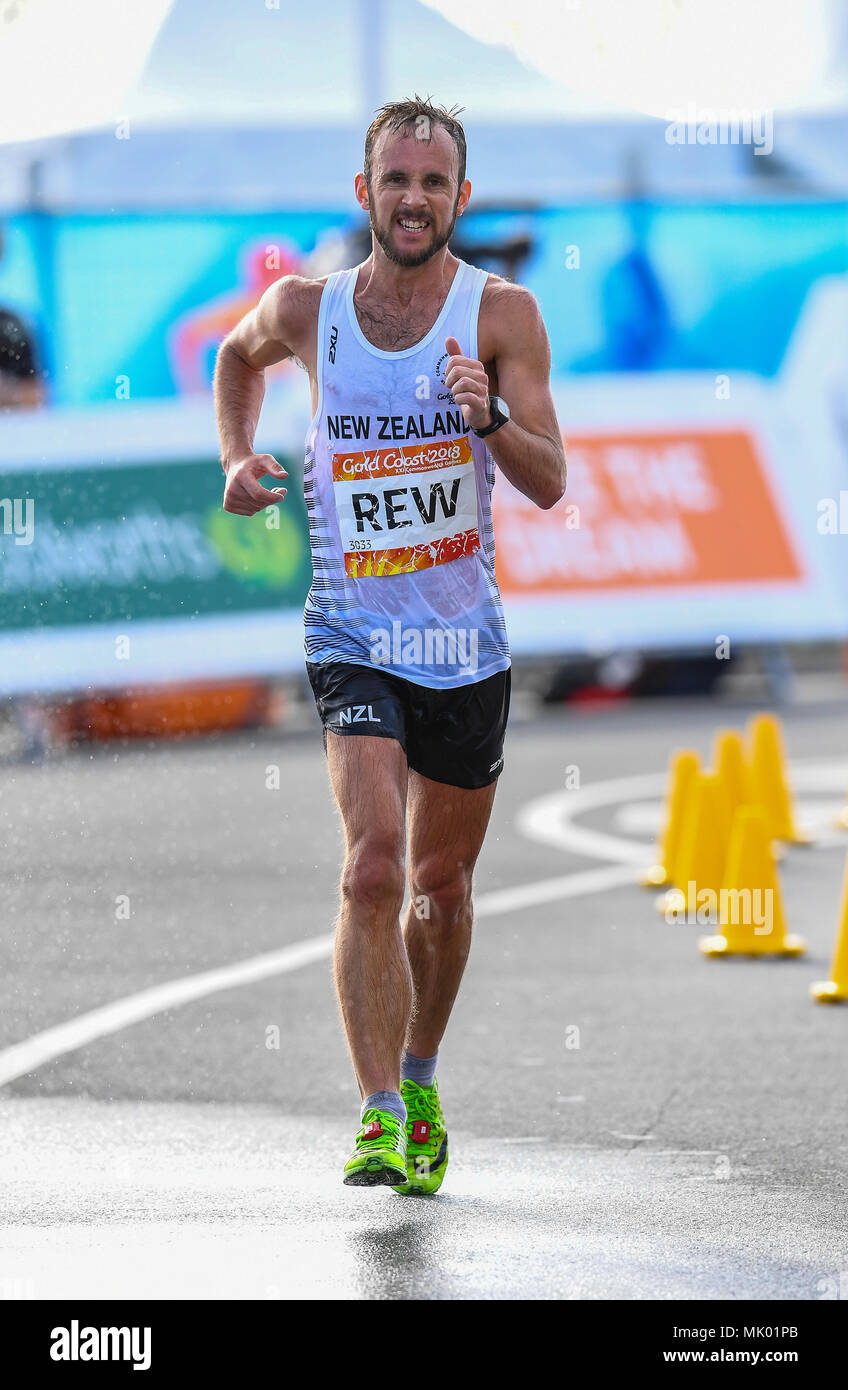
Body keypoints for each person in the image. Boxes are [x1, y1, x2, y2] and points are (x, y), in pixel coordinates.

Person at [213, 96, 566, 1193]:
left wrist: (490, 422)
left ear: (459, 199)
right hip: (352, 630)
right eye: (393, 179)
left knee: (438, 889)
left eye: (432, 182)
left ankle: (417, 1076)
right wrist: (234, 455)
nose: (411, 198)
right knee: (370, 868)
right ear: (361, 192)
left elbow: (550, 481)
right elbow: (237, 356)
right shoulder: (307, 308)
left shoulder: (500, 313)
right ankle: (374, 1114)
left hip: (463, 643)